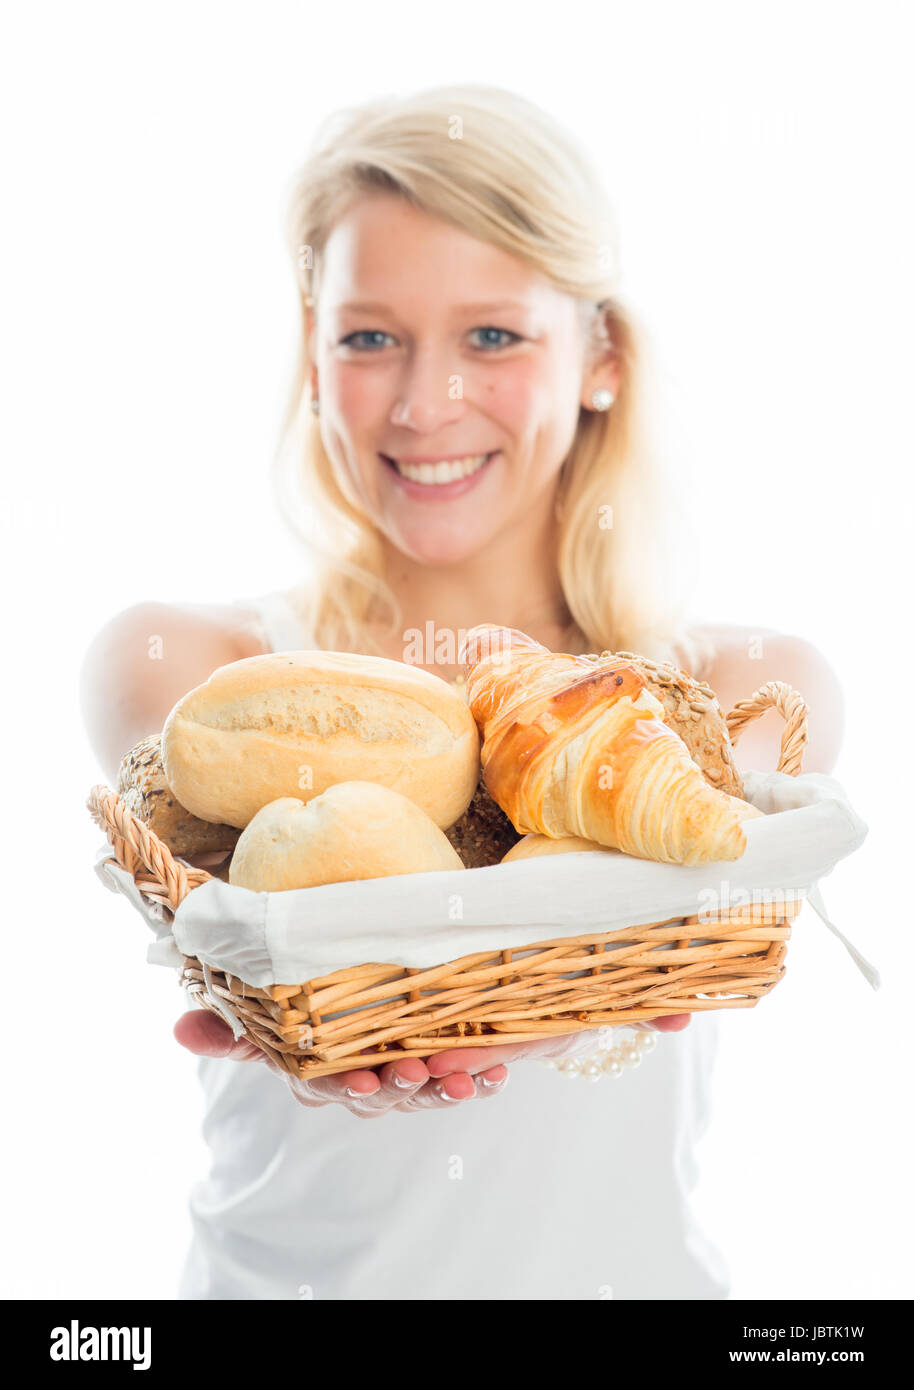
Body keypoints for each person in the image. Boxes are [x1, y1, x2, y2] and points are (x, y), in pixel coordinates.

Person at [80, 84, 843, 1300]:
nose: (423, 403)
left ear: (599, 359)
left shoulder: (731, 692)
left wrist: (477, 1000)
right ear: (314, 357)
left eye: (492, 336)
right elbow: (227, 923)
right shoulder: (190, 670)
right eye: (368, 336)